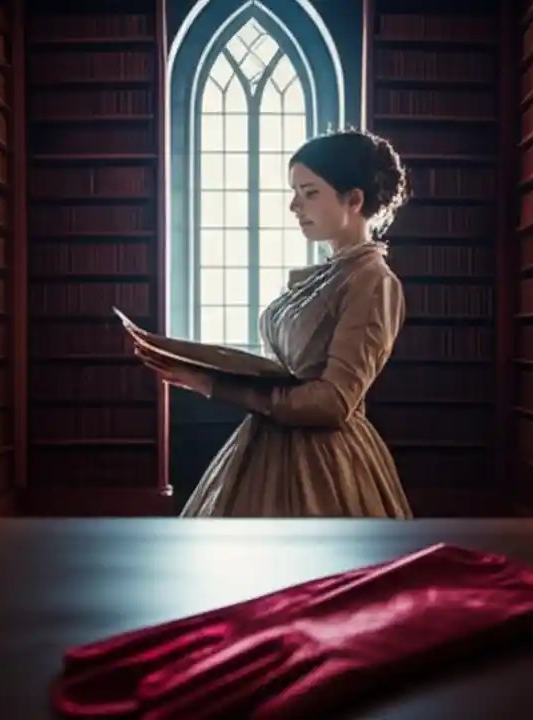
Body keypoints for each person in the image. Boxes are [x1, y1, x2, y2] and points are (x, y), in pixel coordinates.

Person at [137, 128, 413, 518]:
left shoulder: (372, 280)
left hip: (325, 464)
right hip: (263, 444)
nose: (294, 206)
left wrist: (217, 386)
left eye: (309, 192)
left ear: (354, 199)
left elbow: (333, 403)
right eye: (295, 192)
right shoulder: (329, 274)